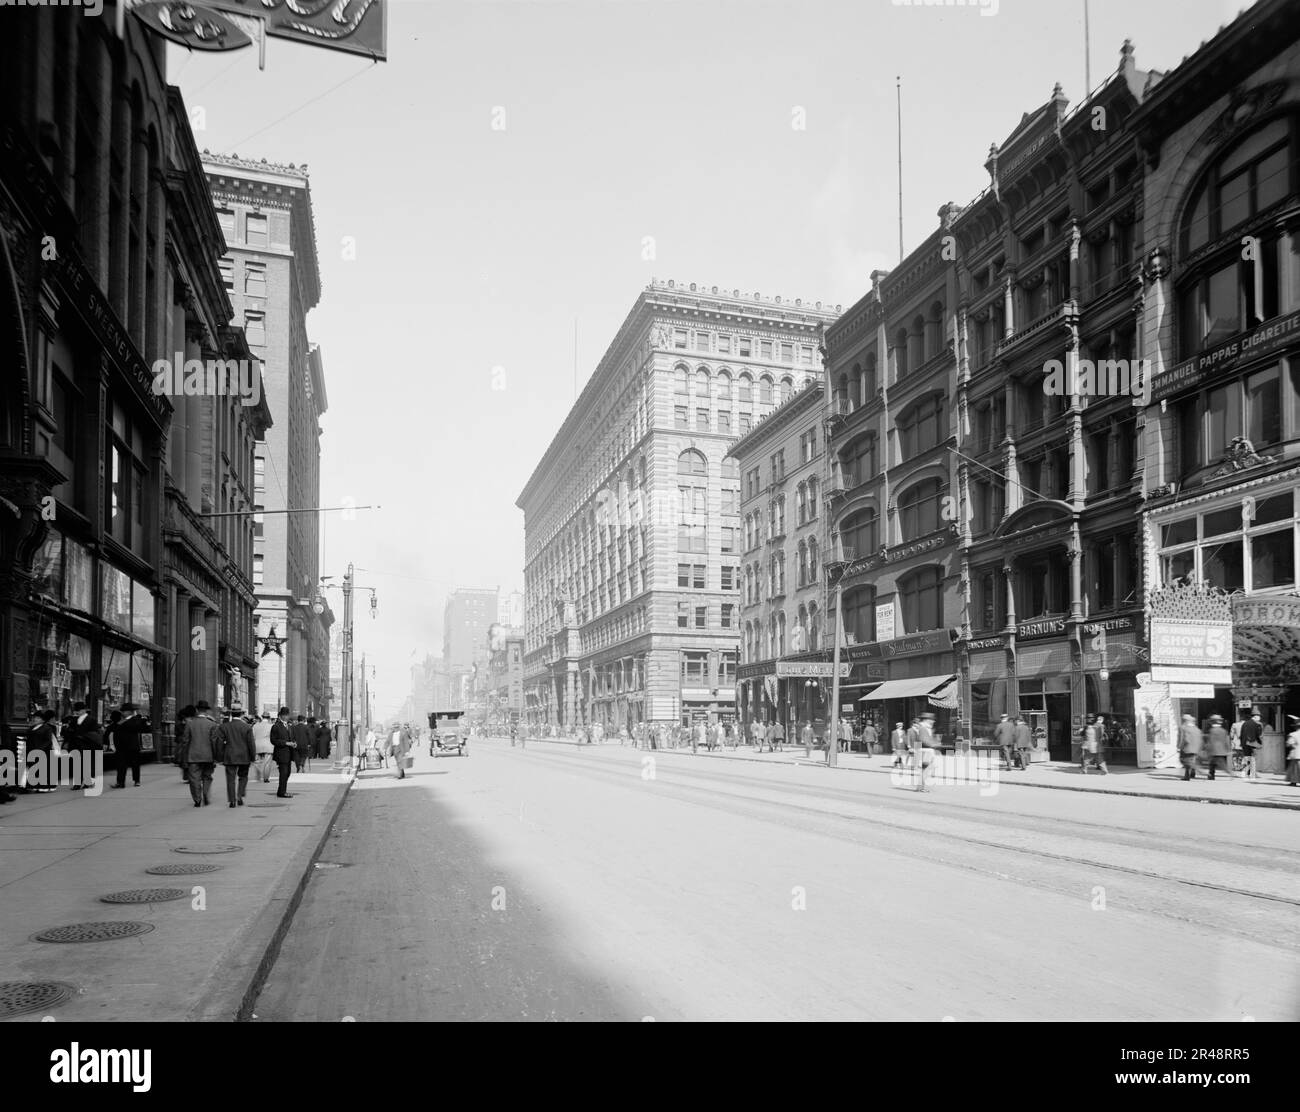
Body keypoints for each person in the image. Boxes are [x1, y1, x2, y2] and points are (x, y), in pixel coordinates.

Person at [183, 701, 220, 807]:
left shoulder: (190, 723)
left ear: (197, 710)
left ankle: (197, 799)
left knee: (194, 778)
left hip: (193, 756)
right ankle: (206, 793)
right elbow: (214, 742)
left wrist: (185, 756)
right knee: (207, 776)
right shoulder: (212, 724)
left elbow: (185, 741)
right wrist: (216, 756)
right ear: (206, 710)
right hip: (208, 756)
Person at [218, 703, 256, 807]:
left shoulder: (224, 727)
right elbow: (251, 744)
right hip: (244, 756)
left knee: (230, 779)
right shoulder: (247, 727)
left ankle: (232, 800)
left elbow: (220, 743)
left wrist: (220, 757)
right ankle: (239, 795)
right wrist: (253, 757)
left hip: (230, 756)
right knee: (243, 777)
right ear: (241, 714)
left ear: (231, 714)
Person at [63, 700, 101, 791]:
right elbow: (69, 732)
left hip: (87, 745)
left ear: (84, 710)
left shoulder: (91, 720)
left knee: (87, 765)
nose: (78, 712)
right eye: (77, 710)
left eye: (79, 710)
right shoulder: (74, 720)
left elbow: (94, 733)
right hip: (76, 745)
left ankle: (88, 782)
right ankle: (77, 783)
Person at [111, 703, 150, 788]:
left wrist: (142, 720)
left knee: (135, 764)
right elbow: (116, 732)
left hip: (133, 746)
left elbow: (139, 728)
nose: (123, 713)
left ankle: (136, 780)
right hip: (121, 747)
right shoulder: (121, 721)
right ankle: (120, 782)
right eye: (123, 711)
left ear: (129, 712)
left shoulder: (136, 720)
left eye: (124, 711)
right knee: (121, 765)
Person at [25, 709, 59, 792]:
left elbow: (48, 741)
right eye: (35, 718)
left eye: (37, 718)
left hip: (43, 752)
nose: (35, 719)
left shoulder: (47, 728)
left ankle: (44, 786)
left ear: (42, 720)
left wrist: (40, 749)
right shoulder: (32, 728)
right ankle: (34, 785)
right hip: (32, 751)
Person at [270, 706, 295, 797]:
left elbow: (291, 737)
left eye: (287, 715)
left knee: (287, 773)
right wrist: (286, 743)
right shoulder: (276, 726)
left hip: (289, 754)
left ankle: (281, 790)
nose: (286, 717)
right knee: (284, 773)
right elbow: (273, 740)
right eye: (284, 715)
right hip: (281, 753)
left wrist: (293, 743)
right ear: (280, 716)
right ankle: (282, 792)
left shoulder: (289, 726)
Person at [911, 713, 937, 792]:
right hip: (926, 751)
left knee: (924, 769)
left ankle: (920, 787)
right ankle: (921, 787)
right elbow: (923, 740)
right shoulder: (923, 728)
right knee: (926, 769)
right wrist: (933, 744)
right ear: (926, 720)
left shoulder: (925, 728)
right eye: (931, 720)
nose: (933, 721)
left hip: (926, 750)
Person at [1204, 714, 1231, 780]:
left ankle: (1211, 775)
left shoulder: (1211, 730)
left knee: (1213, 764)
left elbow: (1210, 740)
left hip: (1214, 749)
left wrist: (1207, 748)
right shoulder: (1224, 731)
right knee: (1218, 763)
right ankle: (1211, 775)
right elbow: (1226, 741)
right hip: (1222, 749)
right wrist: (1228, 749)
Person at [1177, 714, 1203, 780]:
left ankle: (1196, 771)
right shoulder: (1197, 729)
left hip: (1187, 748)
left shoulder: (1183, 728)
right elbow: (1200, 739)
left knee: (1184, 760)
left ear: (1185, 720)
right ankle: (1190, 774)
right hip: (1196, 748)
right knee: (1191, 760)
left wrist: (1179, 747)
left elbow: (1182, 739)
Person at [1239, 712, 1263, 780]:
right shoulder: (1257, 724)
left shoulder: (1244, 723)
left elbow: (1241, 735)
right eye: (1259, 717)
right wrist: (1260, 743)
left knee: (1246, 758)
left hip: (1244, 743)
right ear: (1255, 716)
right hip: (1252, 743)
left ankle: (1244, 773)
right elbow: (1258, 735)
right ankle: (1252, 775)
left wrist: (1242, 743)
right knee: (1252, 759)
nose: (1260, 718)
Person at [252, 713, 275, 783]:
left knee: (257, 762)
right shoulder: (271, 726)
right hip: (268, 746)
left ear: (262, 717)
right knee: (267, 763)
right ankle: (266, 778)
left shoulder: (255, 726)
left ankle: (258, 775)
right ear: (269, 718)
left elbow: (252, 736)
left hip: (257, 745)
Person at [176, 704, 195, 783]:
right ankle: (190, 777)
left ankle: (188, 777)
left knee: (185, 760)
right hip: (188, 743)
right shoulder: (191, 721)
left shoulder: (185, 722)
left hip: (184, 743)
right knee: (187, 761)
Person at [1286, 716, 1300, 787]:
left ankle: (1293, 781)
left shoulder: (1293, 734)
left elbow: (1289, 743)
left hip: (1296, 753)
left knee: (1294, 769)